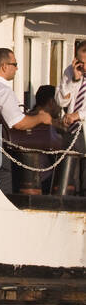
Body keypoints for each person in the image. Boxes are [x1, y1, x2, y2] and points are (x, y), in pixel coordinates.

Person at [0, 48, 54, 196]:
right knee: (3, 193)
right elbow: (18, 123)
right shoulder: (2, 90)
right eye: (15, 64)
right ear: (4, 66)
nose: (17, 68)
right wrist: (41, 117)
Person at [54, 39, 86, 194]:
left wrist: (78, 115)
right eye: (81, 62)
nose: (84, 67)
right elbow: (60, 101)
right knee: (70, 178)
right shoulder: (71, 71)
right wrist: (75, 80)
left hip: (82, 127)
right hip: (71, 131)